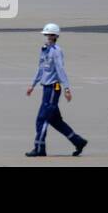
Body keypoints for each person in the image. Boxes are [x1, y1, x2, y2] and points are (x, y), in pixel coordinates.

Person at [25, 22, 87, 157]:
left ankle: (39, 148)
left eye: (48, 35)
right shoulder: (44, 49)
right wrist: (32, 85)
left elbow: (60, 70)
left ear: (54, 36)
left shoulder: (56, 51)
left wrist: (67, 88)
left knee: (42, 119)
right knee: (55, 121)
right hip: (46, 89)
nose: (46, 37)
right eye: (45, 35)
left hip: (54, 89)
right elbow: (41, 69)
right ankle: (78, 141)